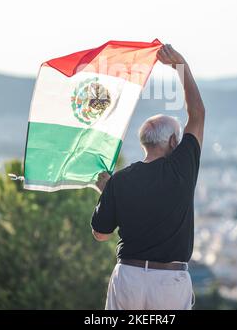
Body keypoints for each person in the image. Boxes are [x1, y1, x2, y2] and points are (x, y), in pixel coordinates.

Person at [91, 44, 205, 310]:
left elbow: (101, 234)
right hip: (169, 282)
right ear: (174, 141)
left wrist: (108, 194)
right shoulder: (181, 169)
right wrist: (180, 64)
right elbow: (197, 113)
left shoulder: (120, 181)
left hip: (127, 277)